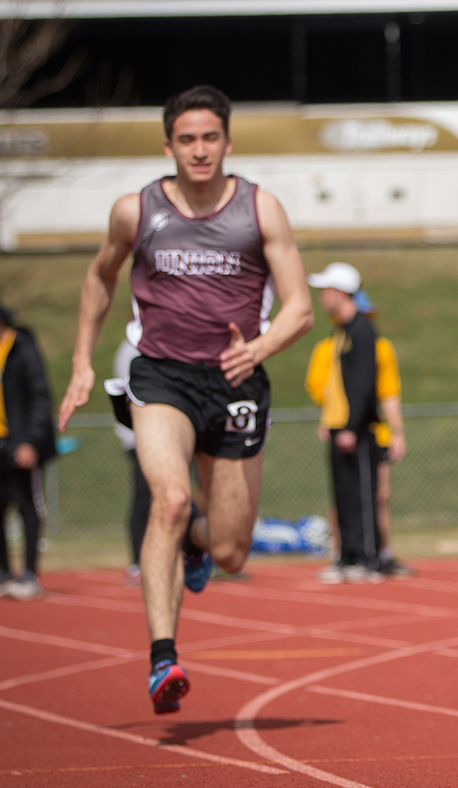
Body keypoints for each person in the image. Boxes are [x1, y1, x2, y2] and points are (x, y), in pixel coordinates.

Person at [56, 84, 313, 715]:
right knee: (169, 500)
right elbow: (100, 277)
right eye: (188, 139)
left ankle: (197, 545)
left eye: (211, 138)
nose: (200, 150)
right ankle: (162, 657)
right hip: (161, 377)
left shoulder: (261, 209)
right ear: (168, 145)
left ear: (228, 141)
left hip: (235, 382)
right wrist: (82, 361)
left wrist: (260, 347)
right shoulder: (135, 212)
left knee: (229, 550)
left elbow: (301, 307)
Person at [304, 267, 409, 583]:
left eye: (326, 291)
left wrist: (352, 426)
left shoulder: (362, 332)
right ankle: (348, 555)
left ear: (340, 292)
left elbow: (365, 384)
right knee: (344, 495)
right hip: (340, 425)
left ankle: (368, 557)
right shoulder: (342, 333)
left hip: (358, 428)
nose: (322, 297)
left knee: (365, 495)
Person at [0, 297, 56, 601]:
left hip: (18, 442)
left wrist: (30, 440)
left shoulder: (21, 349)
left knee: (26, 506)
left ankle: (29, 573)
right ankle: (1, 569)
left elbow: (40, 396)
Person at [108, 333, 150, 588]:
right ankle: (138, 562)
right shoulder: (131, 349)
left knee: (172, 499)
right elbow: (127, 393)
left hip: (169, 434)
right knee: (145, 498)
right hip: (140, 436)